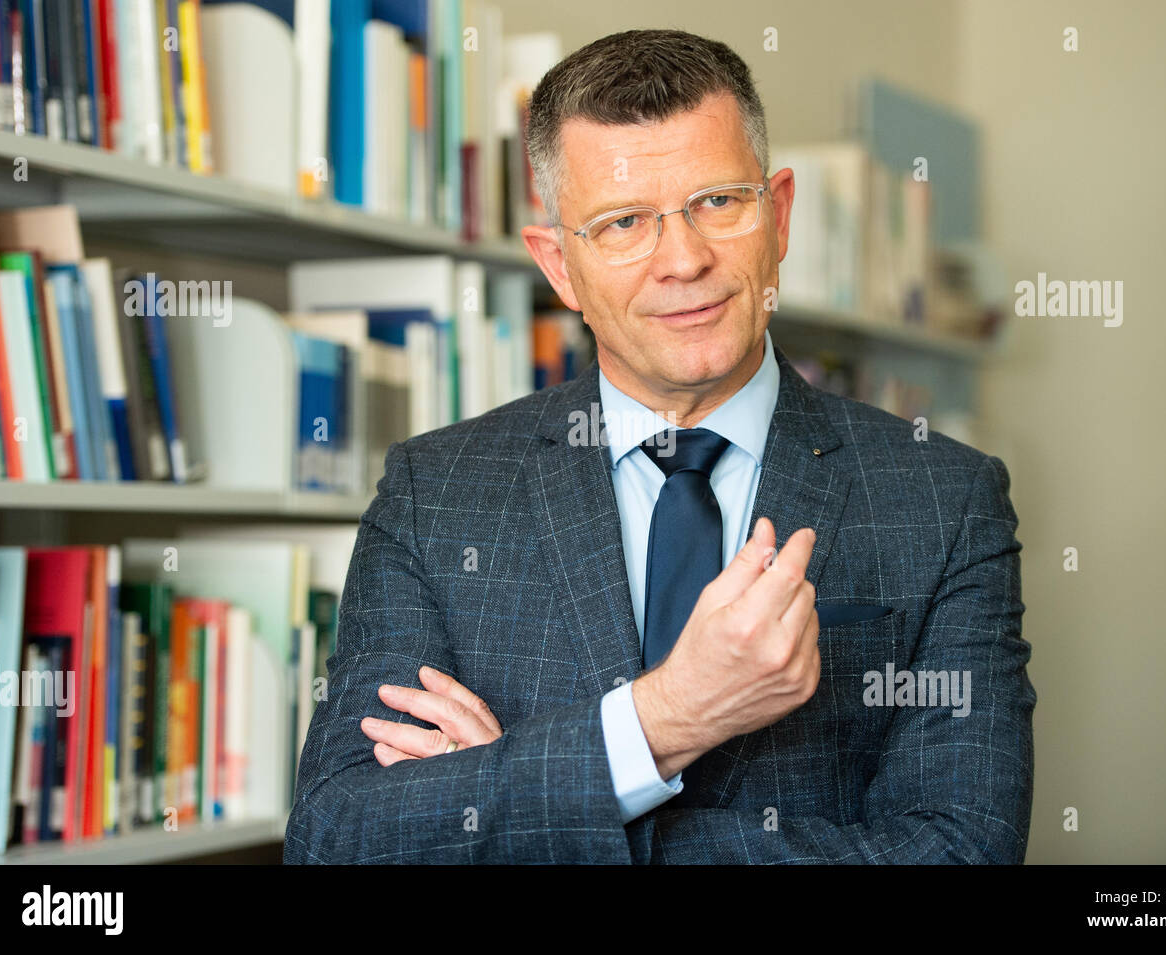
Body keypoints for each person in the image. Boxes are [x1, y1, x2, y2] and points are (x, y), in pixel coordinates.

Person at [284, 28, 1036, 864]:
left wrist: (521, 802)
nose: (683, 259)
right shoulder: (438, 491)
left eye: (719, 202)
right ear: (558, 265)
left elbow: (964, 851)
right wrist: (666, 717)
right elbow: (338, 838)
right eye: (622, 222)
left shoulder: (944, 498)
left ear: (778, 214)